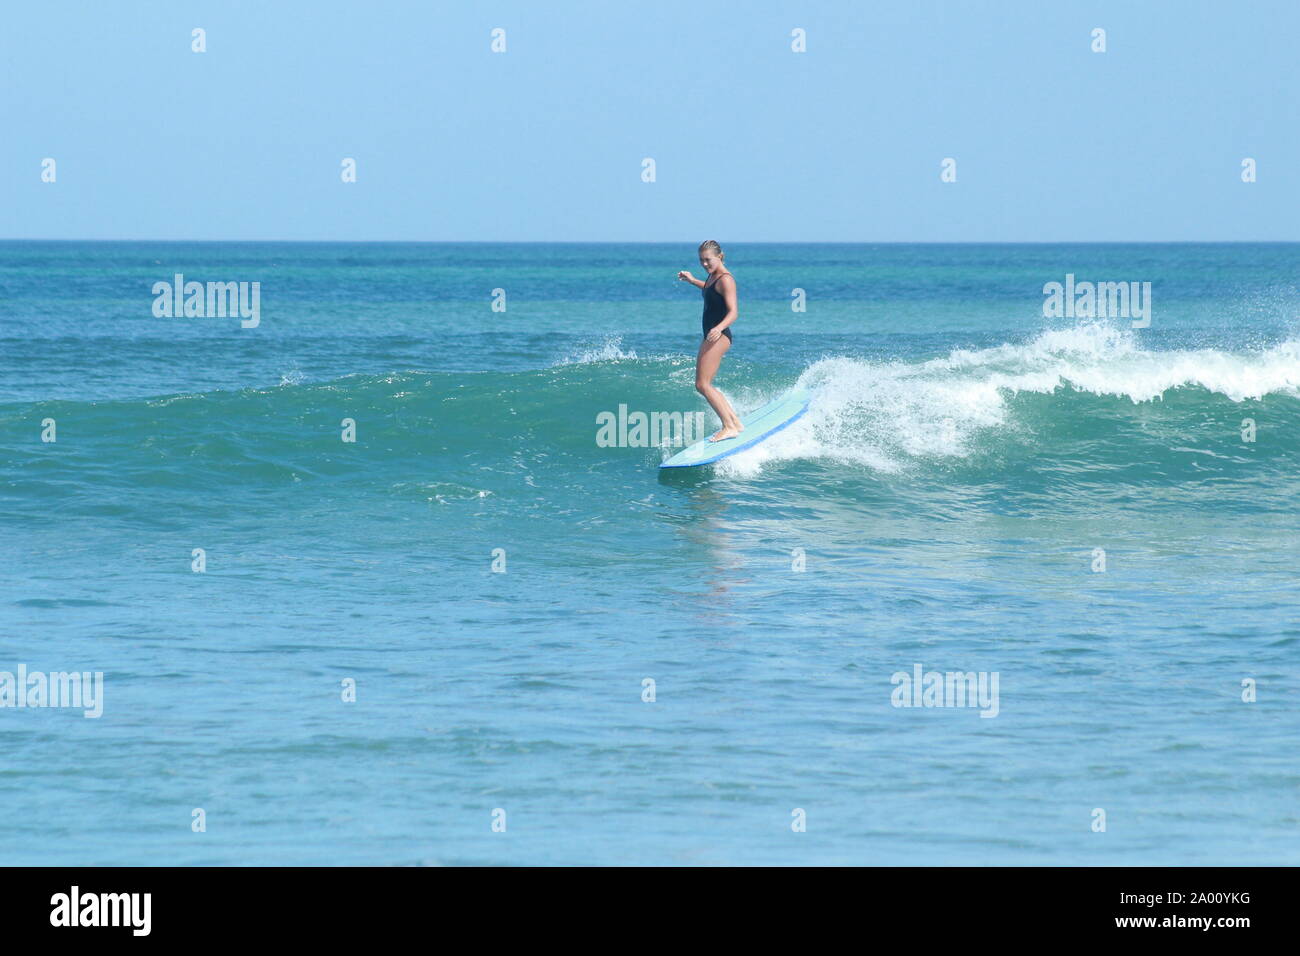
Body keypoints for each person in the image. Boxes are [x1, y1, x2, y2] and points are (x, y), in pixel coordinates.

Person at [677, 240, 742, 441]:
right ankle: (735, 423)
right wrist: (692, 280)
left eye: (708, 260)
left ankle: (729, 426)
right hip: (713, 335)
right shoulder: (713, 277)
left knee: (702, 385)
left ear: (720, 257)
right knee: (705, 384)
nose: (705, 264)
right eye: (701, 260)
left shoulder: (725, 279)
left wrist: (718, 328)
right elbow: (708, 289)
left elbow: (734, 313)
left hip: (718, 336)